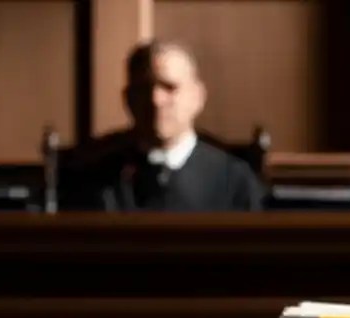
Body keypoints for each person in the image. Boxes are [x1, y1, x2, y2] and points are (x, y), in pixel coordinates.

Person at [62, 40, 264, 212]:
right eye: (144, 88)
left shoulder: (234, 180)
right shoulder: (93, 178)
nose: (156, 100)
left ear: (198, 97)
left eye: (169, 88)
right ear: (128, 99)